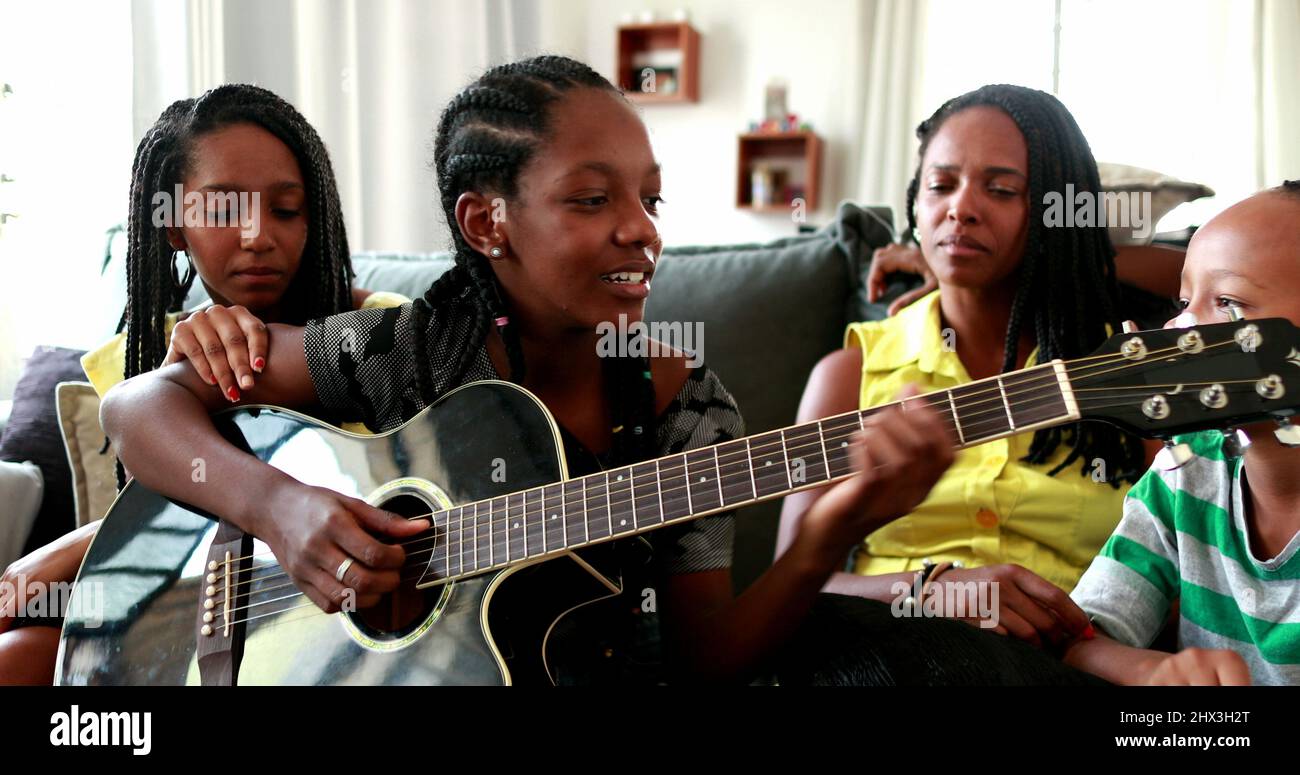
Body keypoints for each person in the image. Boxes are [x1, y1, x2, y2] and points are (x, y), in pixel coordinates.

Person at [95, 56, 955, 684]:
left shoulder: (686, 405)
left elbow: (708, 663)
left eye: (649, 199)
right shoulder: (404, 352)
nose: (642, 230)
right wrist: (280, 508)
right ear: (485, 222)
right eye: (593, 198)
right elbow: (137, 407)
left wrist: (826, 535)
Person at [0, 84, 405, 685]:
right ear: (173, 228)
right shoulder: (144, 356)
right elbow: (167, 537)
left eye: (287, 210)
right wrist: (180, 381)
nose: (257, 236)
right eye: (221, 211)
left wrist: (61, 553)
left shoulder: (385, 330)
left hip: (346, 630)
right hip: (199, 621)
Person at [777, 84, 1153, 649]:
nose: (961, 208)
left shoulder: (1121, 370)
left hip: (1069, 665)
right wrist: (935, 592)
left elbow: (1180, 575)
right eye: (940, 186)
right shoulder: (849, 373)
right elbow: (791, 585)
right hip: (890, 659)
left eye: (1001, 189)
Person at [1065, 182, 1300, 685]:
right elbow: (1079, 639)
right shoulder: (1184, 472)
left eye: (1229, 304)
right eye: (1184, 301)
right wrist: (1152, 672)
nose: (1180, 328)